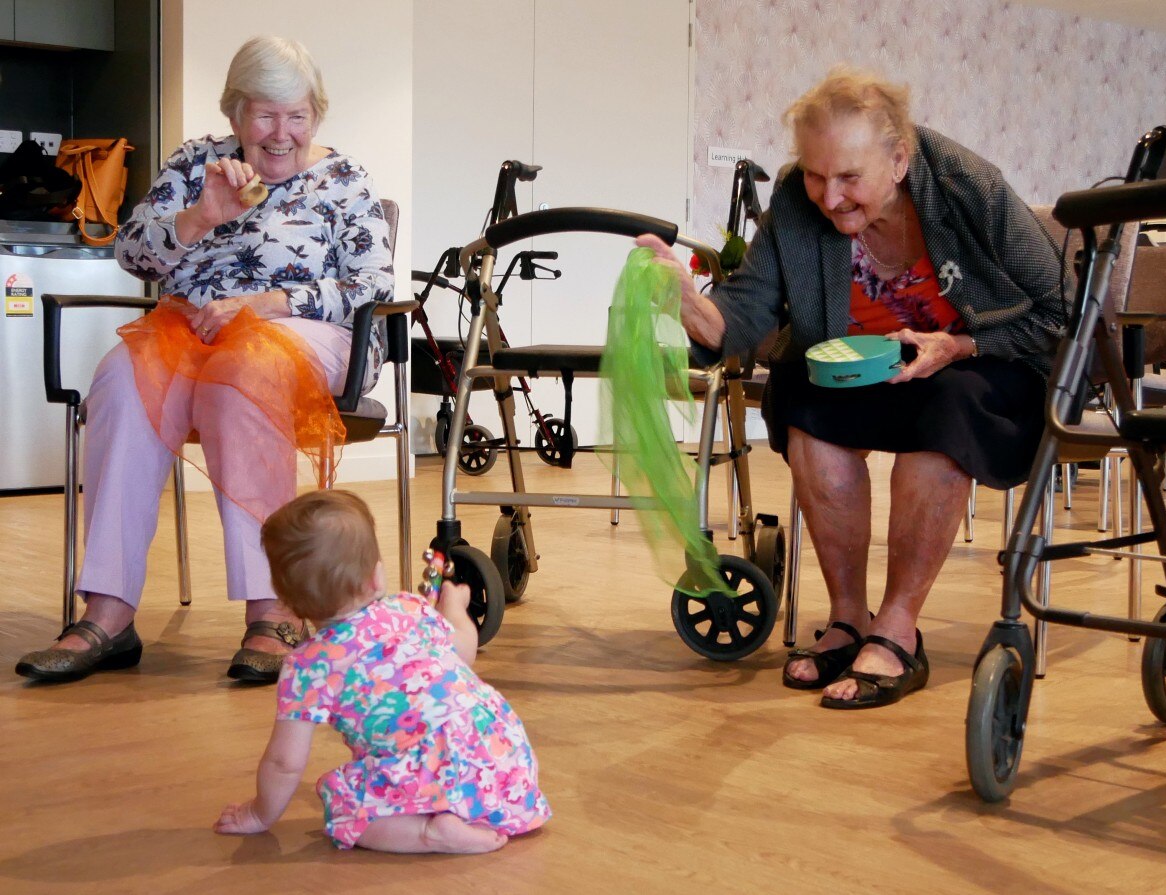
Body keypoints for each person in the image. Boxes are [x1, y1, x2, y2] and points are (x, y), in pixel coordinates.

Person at [640, 67, 1066, 709]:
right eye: (815, 174)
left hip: (979, 365)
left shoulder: (963, 183)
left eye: (848, 177)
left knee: (949, 406)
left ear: (898, 160)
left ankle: (897, 628)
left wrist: (960, 344)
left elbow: (1063, 308)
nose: (829, 196)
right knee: (803, 391)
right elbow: (750, 308)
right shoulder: (795, 197)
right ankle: (847, 618)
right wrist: (688, 303)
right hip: (862, 370)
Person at [15, 36, 395, 685]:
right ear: (234, 113)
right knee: (122, 379)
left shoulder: (343, 179)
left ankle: (273, 609)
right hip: (186, 330)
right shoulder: (196, 164)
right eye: (264, 114)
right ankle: (107, 612)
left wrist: (269, 301)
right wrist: (196, 218)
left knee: (240, 376)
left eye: (296, 115)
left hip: (301, 331)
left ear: (317, 114)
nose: (281, 133)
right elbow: (133, 254)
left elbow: (371, 285)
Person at [214, 490, 551, 853]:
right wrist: (455, 609)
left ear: (289, 603)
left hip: (422, 768)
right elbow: (463, 652)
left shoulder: (307, 666)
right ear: (376, 578)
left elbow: (284, 762)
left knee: (344, 810)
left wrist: (259, 814)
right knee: (451, 771)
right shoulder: (409, 608)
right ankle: (470, 810)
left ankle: (427, 834)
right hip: (496, 750)